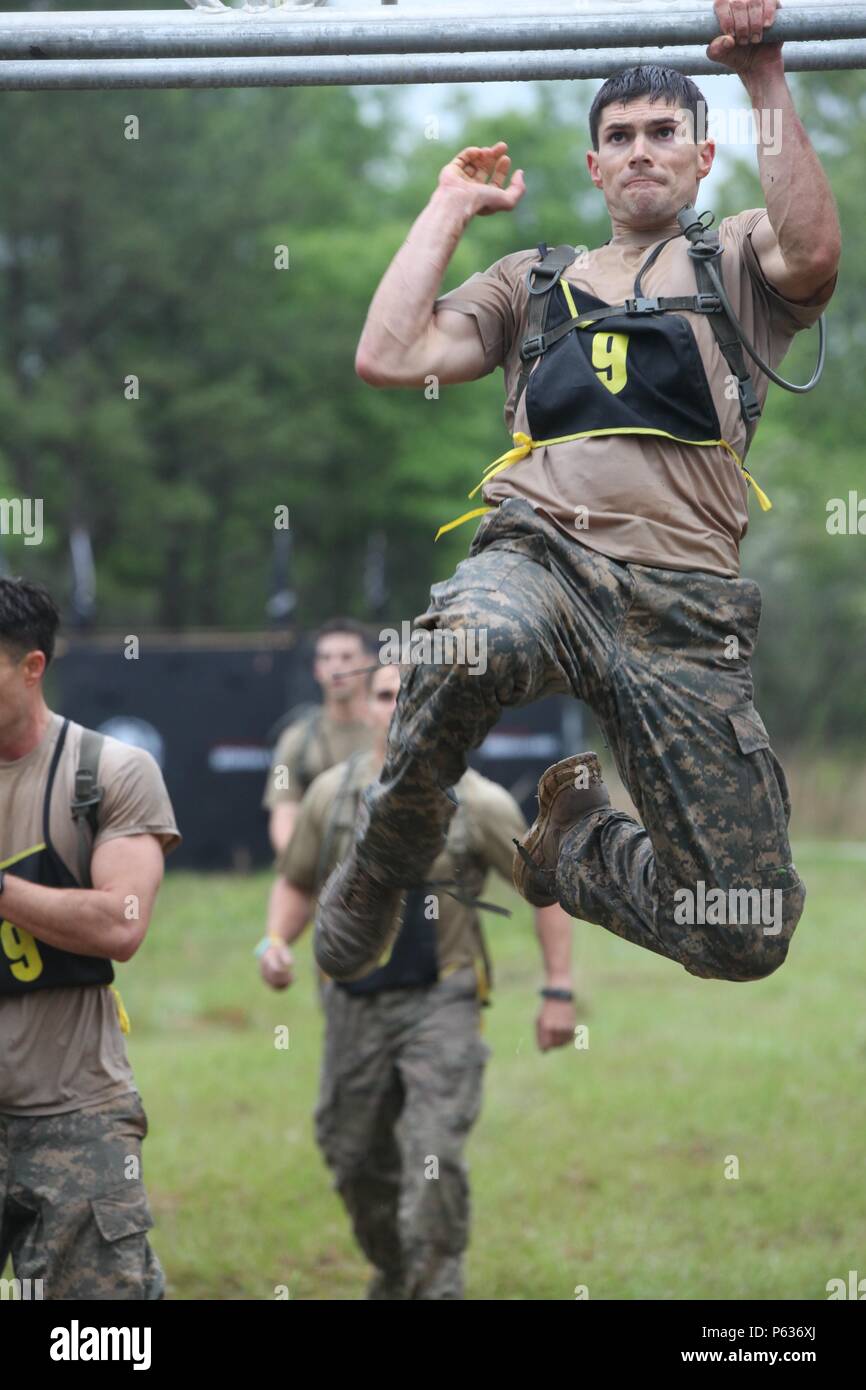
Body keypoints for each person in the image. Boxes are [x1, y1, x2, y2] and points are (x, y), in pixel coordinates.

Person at [314, 2, 841, 988]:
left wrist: (764, 75)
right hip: (541, 559)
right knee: (468, 641)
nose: (639, 152)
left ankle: (571, 847)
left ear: (700, 156)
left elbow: (812, 251)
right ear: (592, 165)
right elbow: (388, 354)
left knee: (747, 928)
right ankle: (387, 851)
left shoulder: (732, 261)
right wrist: (447, 206)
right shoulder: (530, 282)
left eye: (659, 134)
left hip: (681, 606)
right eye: (617, 138)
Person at [258, 659, 577, 1299]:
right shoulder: (329, 796)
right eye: (384, 693)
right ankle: (397, 1270)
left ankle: (434, 1288)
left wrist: (558, 988)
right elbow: (296, 881)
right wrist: (275, 942)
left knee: (433, 1158)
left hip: (444, 1001)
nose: (398, 704)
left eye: (414, 692)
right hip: (352, 1004)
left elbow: (548, 894)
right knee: (353, 1157)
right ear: (368, 706)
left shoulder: (479, 803)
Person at [0, 577, 181, 1300]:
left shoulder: (105, 773)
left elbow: (122, 923)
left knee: (96, 1338)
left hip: (75, 1112)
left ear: (31, 666)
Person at [263, 617, 376, 856]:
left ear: (368, 663)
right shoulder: (294, 740)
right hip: (318, 866)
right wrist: (299, 866)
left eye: (347, 657)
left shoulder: (391, 734)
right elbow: (283, 808)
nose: (336, 667)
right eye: (326, 658)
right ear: (316, 669)